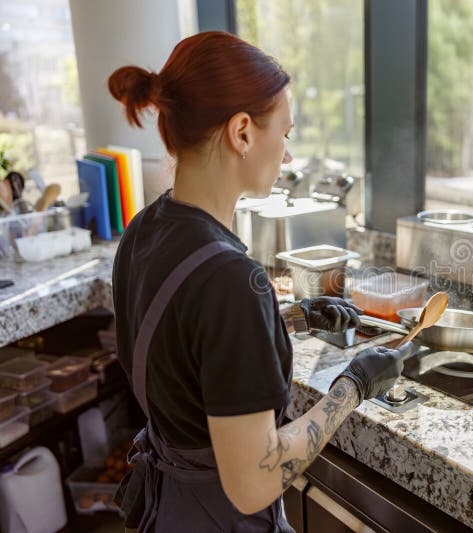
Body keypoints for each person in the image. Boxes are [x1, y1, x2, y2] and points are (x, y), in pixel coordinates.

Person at [109, 31, 409, 532]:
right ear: (242, 132)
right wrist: (352, 388)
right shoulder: (229, 278)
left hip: (167, 510)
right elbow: (255, 482)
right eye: (285, 134)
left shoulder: (146, 229)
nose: (288, 155)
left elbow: (185, 347)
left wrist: (288, 316)